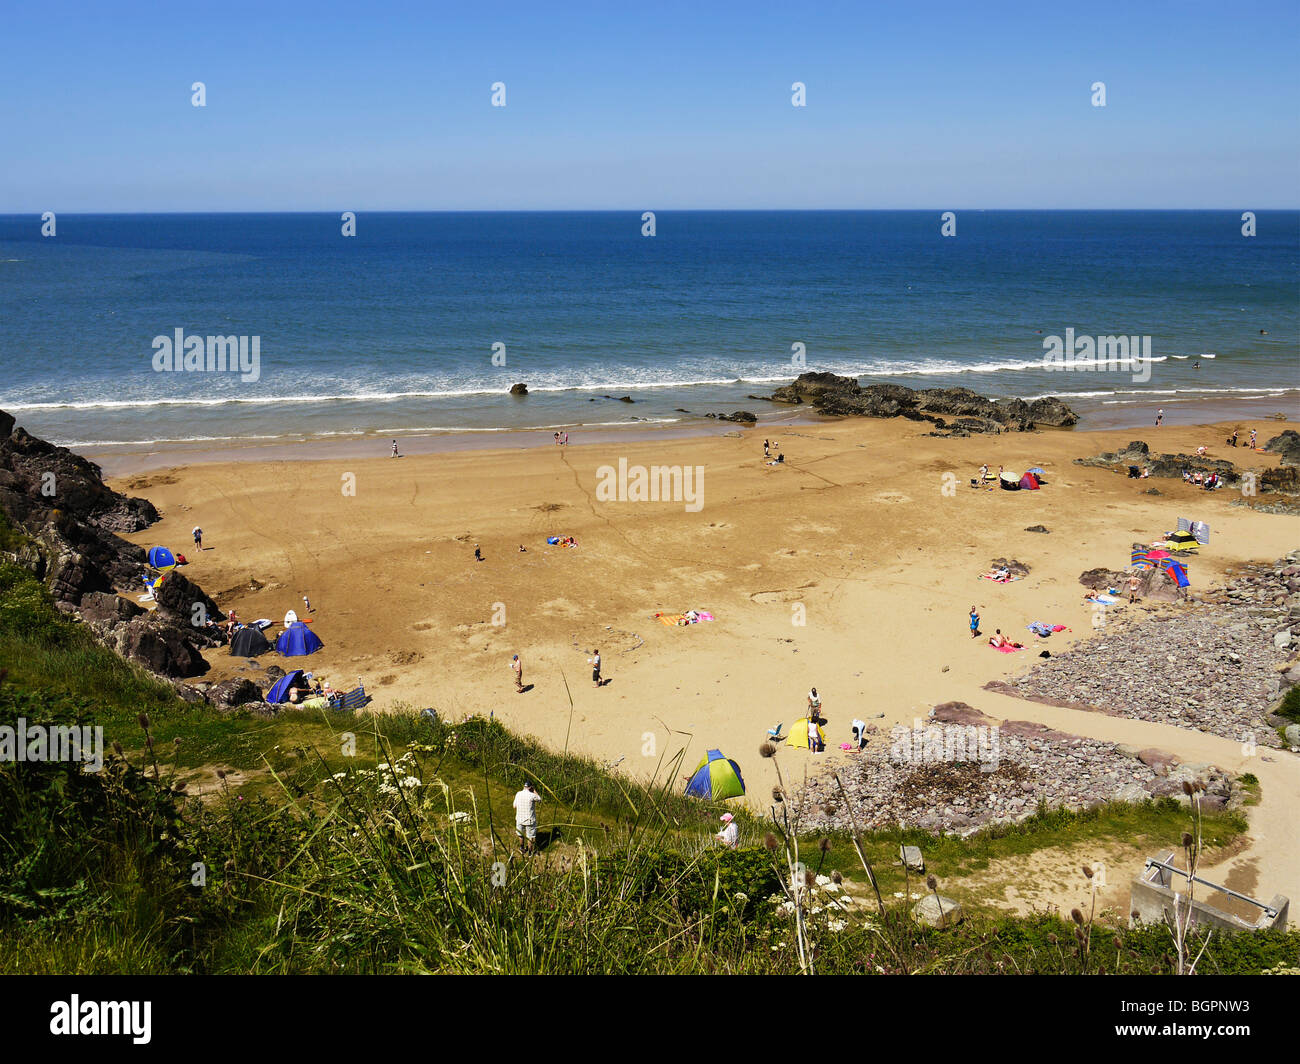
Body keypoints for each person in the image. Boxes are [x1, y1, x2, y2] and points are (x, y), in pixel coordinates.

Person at [513, 781, 542, 854]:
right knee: (530, 836)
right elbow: (539, 799)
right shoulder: (532, 795)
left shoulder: (518, 794)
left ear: (524, 786)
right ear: (530, 787)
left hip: (519, 819)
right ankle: (530, 852)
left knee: (520, 834)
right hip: (530, 820)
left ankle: (522, 848)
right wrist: (534, 791)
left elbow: (514, 806)